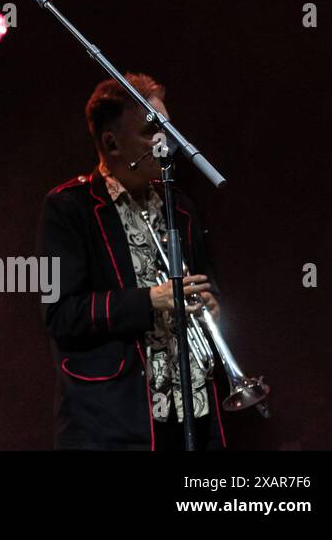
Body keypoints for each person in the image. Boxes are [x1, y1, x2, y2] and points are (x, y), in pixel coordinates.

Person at [38, 73, 227, 449]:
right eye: (149, 131)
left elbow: (207, 285)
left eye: (167, 129)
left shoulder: (182, 208)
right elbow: (60, 315)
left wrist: (211, 306)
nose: (165, 142)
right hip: (115, 420)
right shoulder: (66, 207)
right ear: (111, 142)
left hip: (192, 410)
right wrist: (150, 300)